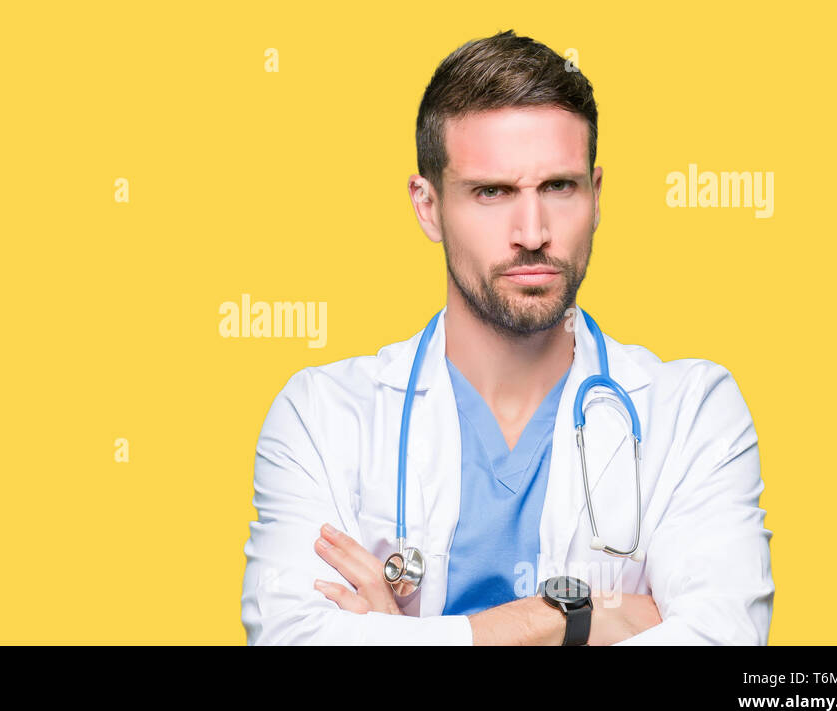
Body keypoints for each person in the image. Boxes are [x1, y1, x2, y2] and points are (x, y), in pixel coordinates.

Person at [240, 30, 775, 645]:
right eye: (492, 192)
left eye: (558, 187)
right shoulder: (323, 417)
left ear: (596, 197)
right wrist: (572, 618)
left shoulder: (693, 413)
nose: (531, 231)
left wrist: (407, 636)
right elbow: (293, 640)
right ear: (428, 205)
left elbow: (722, 642)